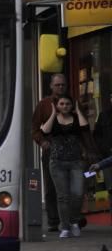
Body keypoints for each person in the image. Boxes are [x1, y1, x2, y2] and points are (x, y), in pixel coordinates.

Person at [39, 95, 95, 238]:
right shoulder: (53, 119)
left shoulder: (76, 119)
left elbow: (85, 127)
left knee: (77, 193)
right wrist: (53, 113)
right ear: (57, 106)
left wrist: (78, 110)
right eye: (62, 104)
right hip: (57, 162)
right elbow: (44, 131)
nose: (65, 106)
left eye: (68, 104)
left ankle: (74, 221)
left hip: (76, 162)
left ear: (71, 106)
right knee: (62, 196)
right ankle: (64, 227)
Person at [31, 74, 67, 232]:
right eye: (57, 85)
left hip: (70, 151)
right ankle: (53, 220)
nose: (60, 87)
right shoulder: (43, 105)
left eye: (63, 85)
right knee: (51, 186)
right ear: (51, 86)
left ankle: (70, 218)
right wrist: (42, 142)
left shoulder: (70, 102)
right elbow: (34, 129)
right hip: (51, 150)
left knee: (71, 186)